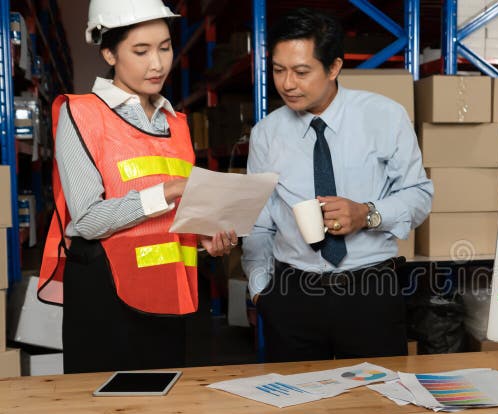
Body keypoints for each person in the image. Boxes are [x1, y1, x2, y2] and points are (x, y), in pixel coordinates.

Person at [37, 0, 237, 374]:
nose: (157, 64)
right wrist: (169, 191)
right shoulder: (81, 113)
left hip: (168, 292)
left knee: (164, 399)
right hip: (105, 292)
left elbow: (170, 221)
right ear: (109, 53)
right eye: (141, 51)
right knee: (105, 403)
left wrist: (203, 239)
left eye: (165, 47)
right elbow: (89, 220)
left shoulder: (176, 123)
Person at [243, 8, 433, 362]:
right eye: (279, 70)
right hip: (292, 296)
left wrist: (367, 214)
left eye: (301, 72)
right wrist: (260, 290)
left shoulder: (385, 117)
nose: (287, 84)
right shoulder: (266, 134)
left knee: (377, 396)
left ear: (333, 67)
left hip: (370, 294)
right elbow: (258, 222)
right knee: (294, 396)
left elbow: (419, 196)